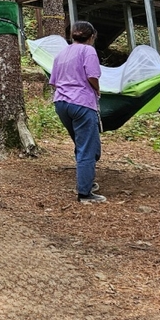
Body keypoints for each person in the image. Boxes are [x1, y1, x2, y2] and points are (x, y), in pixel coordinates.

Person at [51, 20, 107, 205]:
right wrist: (97, 89)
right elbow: (92, 76)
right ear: (92, 37)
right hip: (81, 103)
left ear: (72, 35)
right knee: (87, 148)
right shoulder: (88, 51)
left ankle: (86, 180)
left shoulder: (62, 53)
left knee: (84, 145)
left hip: (61, 103)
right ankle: (85, 193)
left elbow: (54, 81)